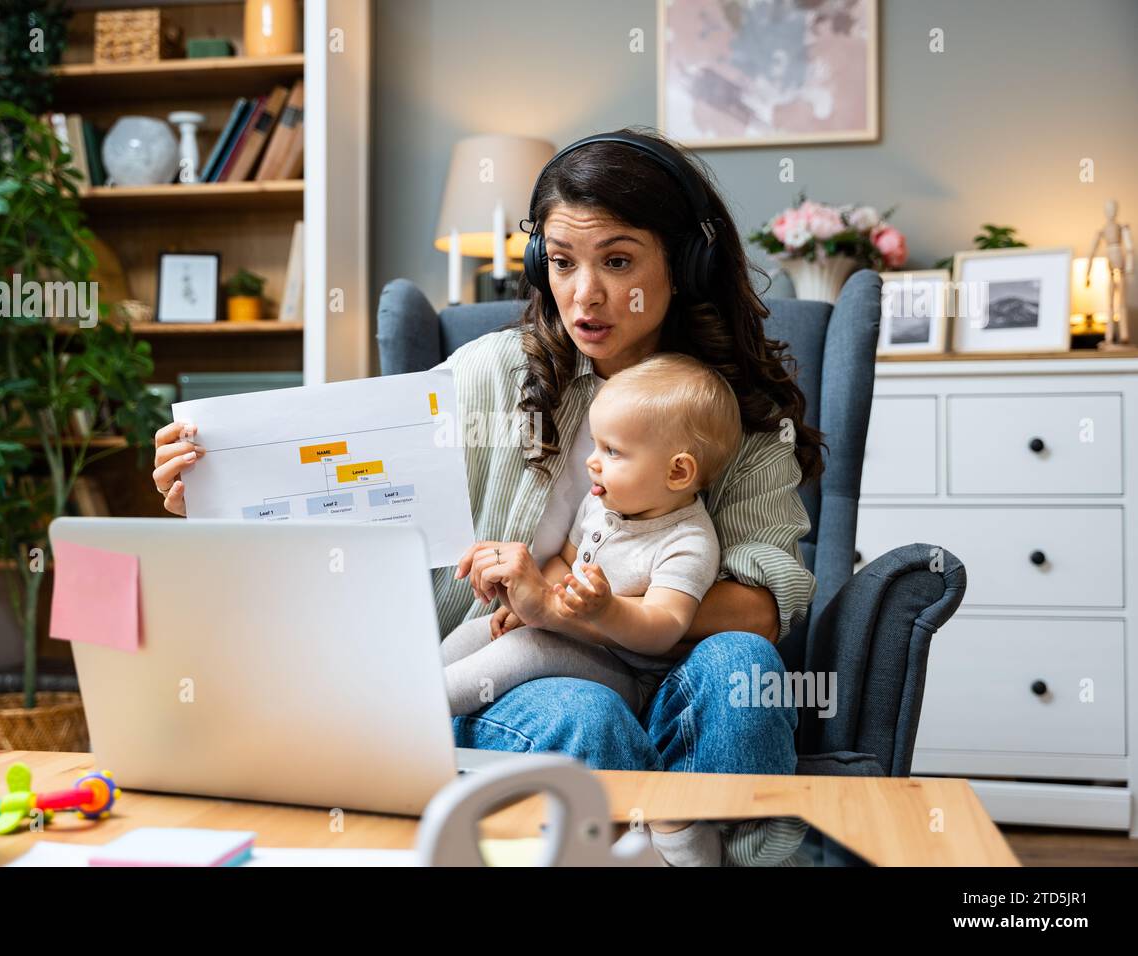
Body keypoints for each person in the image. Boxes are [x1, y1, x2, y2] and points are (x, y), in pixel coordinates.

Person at [151, 127, 823, 865]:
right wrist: (222, 496)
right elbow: (357, 509)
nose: (585, 295)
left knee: (741, 669)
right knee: (586, 711)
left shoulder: (736, 410)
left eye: (619, 262)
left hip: (668, 684)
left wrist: (575, 605)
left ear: (684, 266)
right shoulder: (485, 376)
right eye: (562, 264)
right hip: (500, 679)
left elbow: (762, 607)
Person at [441, 353, 740, 719]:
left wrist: (607, 610)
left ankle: (413, 718)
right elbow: (564, 561)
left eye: (612, 451)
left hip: (629, 675)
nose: (592, 462)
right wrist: (535, 605)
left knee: (526, 647)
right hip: (567, 634)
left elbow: (665, 627)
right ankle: (403, 691)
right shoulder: (600, 502)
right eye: (596, 445)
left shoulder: (688, 542)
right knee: (477, 632)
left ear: (677, 472)